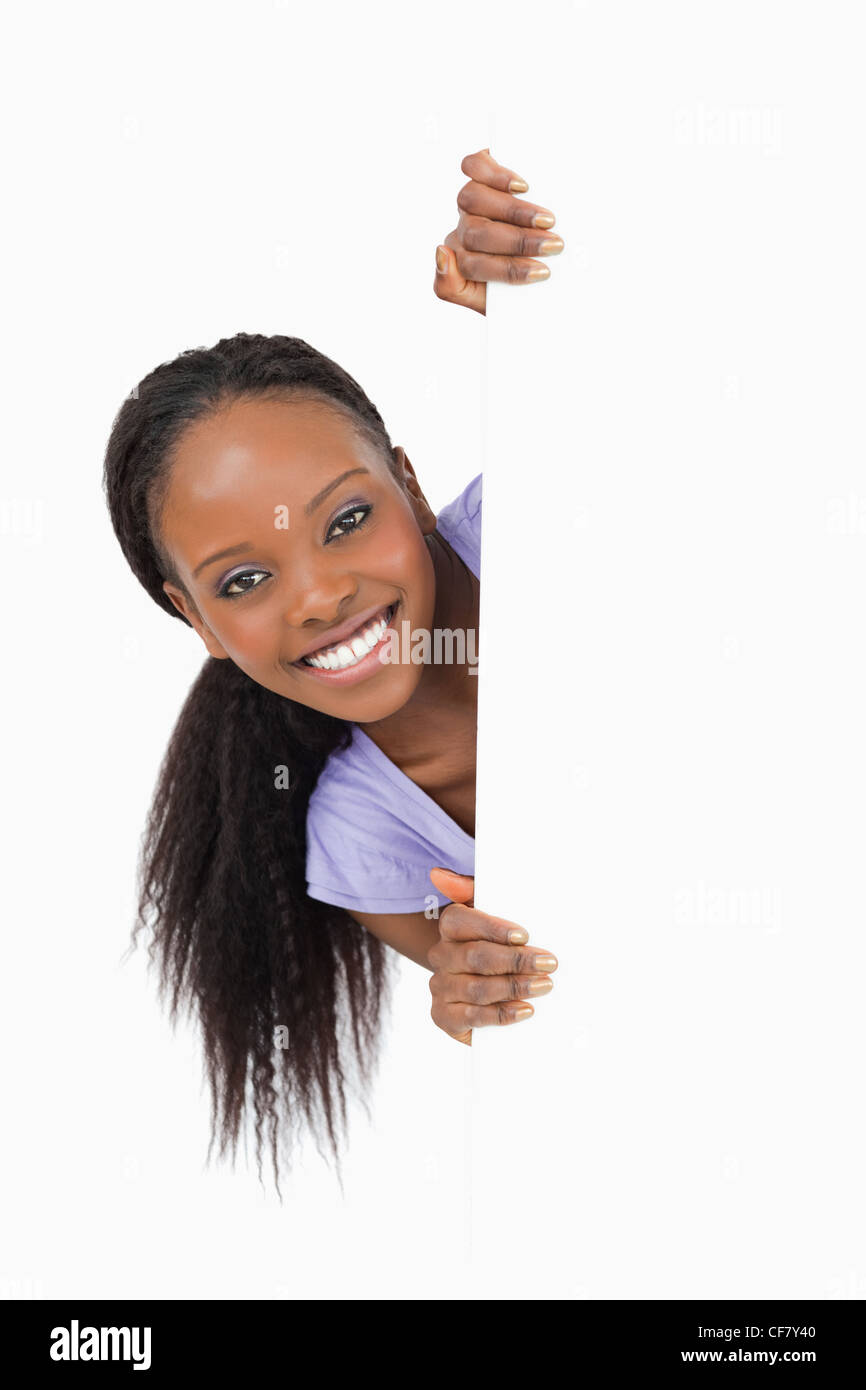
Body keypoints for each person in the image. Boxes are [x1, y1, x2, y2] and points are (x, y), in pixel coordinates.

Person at [102, 147, 565, 1192]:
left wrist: (543, 315)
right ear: (198, 624)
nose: (315, 597)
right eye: (244, 578)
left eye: (348, 519)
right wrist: (471, 993)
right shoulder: (363, 843)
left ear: (406, 477)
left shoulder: (547, 506)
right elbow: (544, 1028)